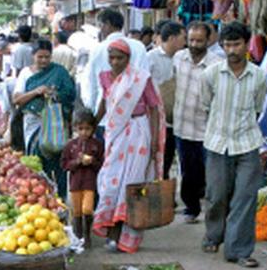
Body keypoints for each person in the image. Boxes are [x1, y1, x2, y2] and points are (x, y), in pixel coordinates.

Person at [198, 22, 267, 268]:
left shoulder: (259, 76)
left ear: (246, 45)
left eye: (236, 44)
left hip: (247, 143)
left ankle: (238, 250)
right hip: (217, 143)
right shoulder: (211, 74)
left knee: (244, 198)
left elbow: (258, 107)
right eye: (227, 45)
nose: (232, 50)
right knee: (216, 195)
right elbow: (206, 104)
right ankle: (214, 235)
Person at [90, 40, 164, 253]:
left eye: (119, 58)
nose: (115, 62)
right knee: (109, 183)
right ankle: (110, 229)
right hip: (115, 132)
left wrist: (154, 144)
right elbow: (104, 103)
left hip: (138, 133)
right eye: (111, 58)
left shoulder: (140, 78)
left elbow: (153, 108)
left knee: (131, 185)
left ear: (128, 59)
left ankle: (126, 237)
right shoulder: (104, 77)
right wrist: (92, 125)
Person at [12, 39, 77, 197]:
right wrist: (36, 92)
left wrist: (54, 93)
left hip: (56, 124)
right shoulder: (26, 73)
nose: (44, 61)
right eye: (40, 57)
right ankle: (40, 197)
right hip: (34, 123)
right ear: (33, 55)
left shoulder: (59, 72)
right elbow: (17, 100)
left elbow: (70, 94)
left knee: (58, 162)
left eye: (47, 57)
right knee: (37, 162)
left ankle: (60, 198)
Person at [174, 21, 223, 224]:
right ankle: (191, 208)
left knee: (210, 172)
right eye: (191, 40)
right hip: (182, 125)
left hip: (206, 127)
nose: (194, 44)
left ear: (208, 40)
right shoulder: (179, 58)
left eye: (199, 40)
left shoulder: (216, 64)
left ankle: (213, 212)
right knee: (187, 170)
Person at [82, 9, 149, 115]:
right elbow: (145, 78)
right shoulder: (139, 46)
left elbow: (92, 83)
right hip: (134, 112)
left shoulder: (98, 49)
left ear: (107, 24)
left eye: (100, 25)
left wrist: (91, 109)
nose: (100, 30)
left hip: (105, 113)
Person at [61, 109, 105, 247]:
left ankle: (87, 235)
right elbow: (64, 165)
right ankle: (78, 235)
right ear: (75, 128)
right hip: (75, 184)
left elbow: (102, 165)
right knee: (77, 210)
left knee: (87, 209)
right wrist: (77, 162)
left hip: (90, 183)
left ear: (93, 129)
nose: (84, 132)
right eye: (80, 129)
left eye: (87, 129)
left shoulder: (97, 146)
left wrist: (92, 162)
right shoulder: (70, 146)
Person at [148, 22, 185, 180]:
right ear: (171, 38)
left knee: (180, 158)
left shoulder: (183, 58)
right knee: (162, 158)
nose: (186, 42)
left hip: (181, 118)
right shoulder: (150, 58)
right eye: (183, 38)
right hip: (159, 118)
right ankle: (162, 192)